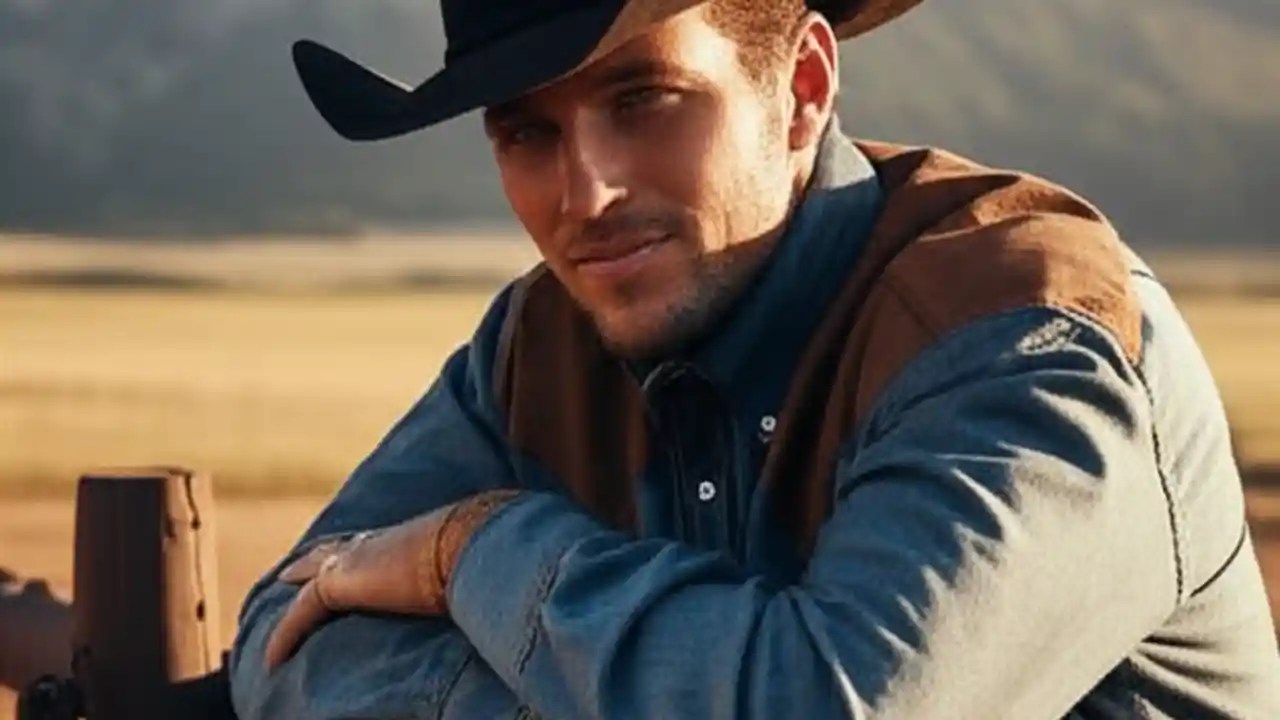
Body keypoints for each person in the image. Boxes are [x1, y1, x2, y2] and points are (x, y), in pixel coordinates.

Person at [229, 0, 1280, 717]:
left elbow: (830, 704)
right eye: (524, 134)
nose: (581, 194)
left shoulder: (1021, 333)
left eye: (641, 102)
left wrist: (475, 553)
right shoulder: (535, 348)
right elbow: (283, 638)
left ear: (804, 86)